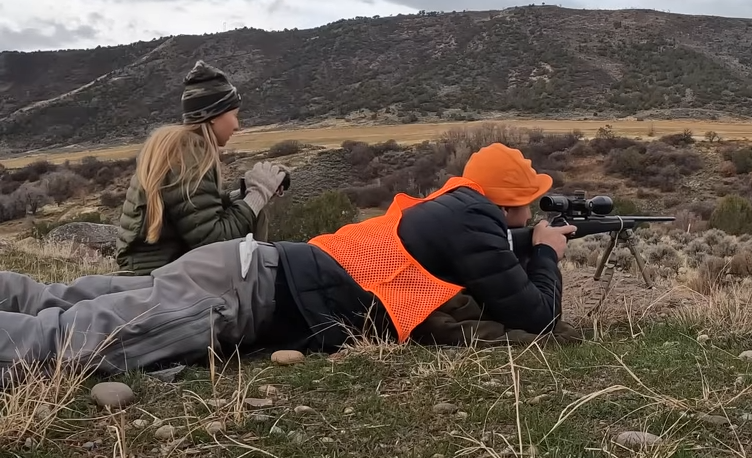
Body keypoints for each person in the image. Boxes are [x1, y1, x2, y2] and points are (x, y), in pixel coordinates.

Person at [0, 143, 578, 381]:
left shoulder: (450, 209)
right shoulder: (477, 222)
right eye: (529, 197)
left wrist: (529, 243)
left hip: (243, 268)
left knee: (61, 300)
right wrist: (548, 252)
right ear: (510, 199)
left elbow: (470, 262)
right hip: (242, 294)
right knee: (64, 342)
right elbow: (538, 315)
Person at [114, 60, 289, 276]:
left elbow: (196, 212)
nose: (237, 125)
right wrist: (257, 196)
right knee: (257, 216)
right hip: (156, 274)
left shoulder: (180, 148)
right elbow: (215, 241)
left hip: (154, 263)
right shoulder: (190, 156)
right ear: (214, 116)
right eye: (234, 115)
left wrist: (243, 195)